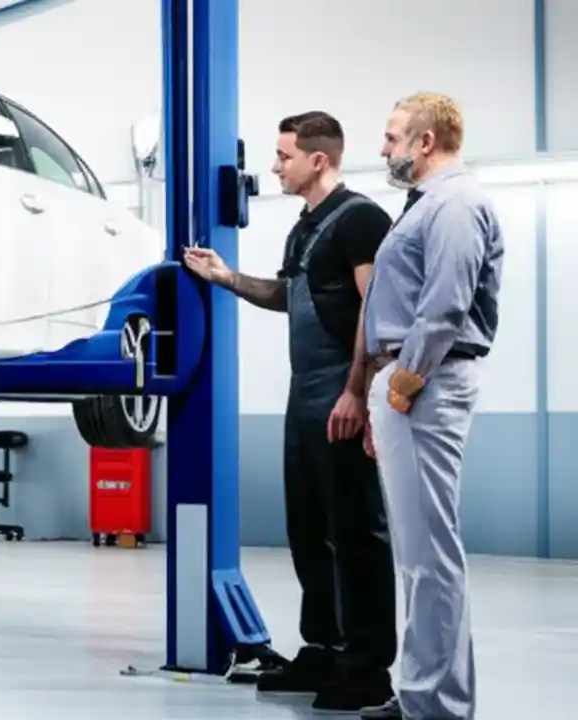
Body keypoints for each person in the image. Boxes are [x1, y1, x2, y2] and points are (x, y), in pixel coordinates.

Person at [183, 111, 396, 711]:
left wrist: (357, 391)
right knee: (308, 530)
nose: (274, 166)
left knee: (356, 531)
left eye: (283, 156)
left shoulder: (361, 221)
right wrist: (227, 278)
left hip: (341, 388)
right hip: (304, 392)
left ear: (318, 160)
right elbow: (286, 294)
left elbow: (375, 310)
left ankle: (367, 667)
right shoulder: (304, 228)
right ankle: (323, 649)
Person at [357, 92, 503, 720]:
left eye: (392, 138)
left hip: (425, 384)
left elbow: (445, 305)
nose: (383, 149)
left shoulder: (456, 203)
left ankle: (438, 705)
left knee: (431, 557)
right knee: (415, 556)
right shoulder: (424, 206)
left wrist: (401, 383)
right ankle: (421, 691)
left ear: (424, 141)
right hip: (407, 384)